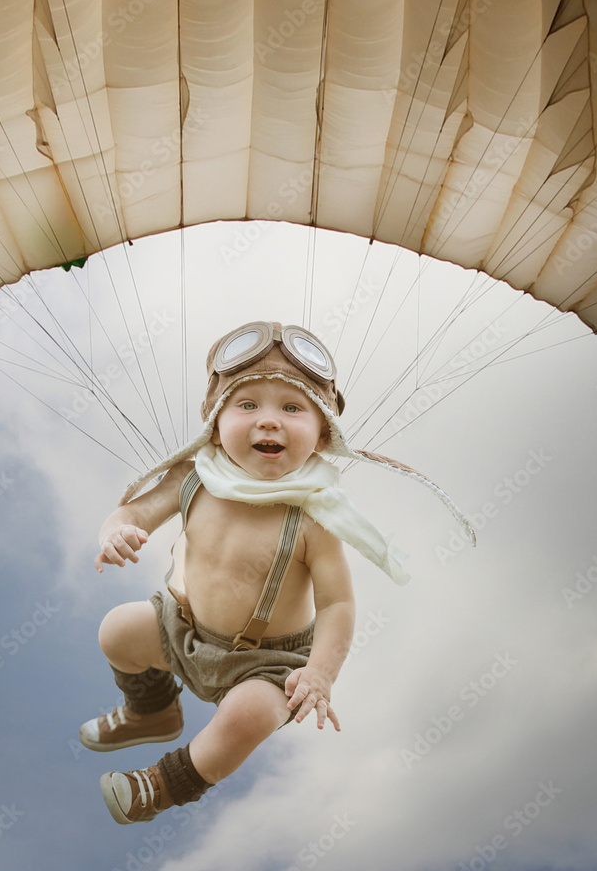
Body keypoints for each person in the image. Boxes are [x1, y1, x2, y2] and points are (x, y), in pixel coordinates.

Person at [79, 321, 474, 824]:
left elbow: (337, 603)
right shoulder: (195, 476)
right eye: (247, 406)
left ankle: (161, 785)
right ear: (215, 421)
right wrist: (116, 531)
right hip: (183, 629)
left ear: (324, 432)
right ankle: (152, 711)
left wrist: (321, 674)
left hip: (266, 663)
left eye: (292, 408)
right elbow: (134, 512)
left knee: (249, 718)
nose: (269, 422)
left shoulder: (314, 516)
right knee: (116, 629)